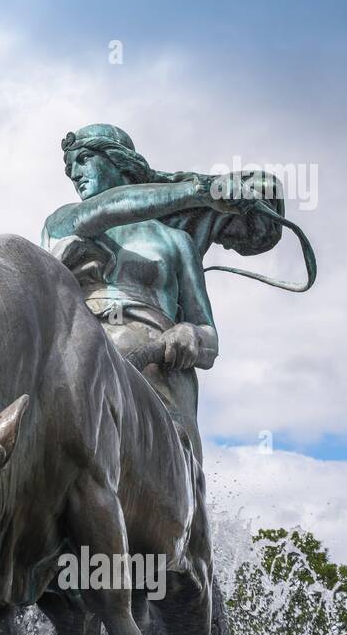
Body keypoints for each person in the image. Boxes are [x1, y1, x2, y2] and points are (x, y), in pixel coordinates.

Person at [42, 124, 295, 462]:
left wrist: (188, 334)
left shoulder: (176, 242)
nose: (75, 174)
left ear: (119, 162)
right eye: (70, 168)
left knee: (176, 469)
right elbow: (104, 208)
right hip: (81, 357)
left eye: (84, 160)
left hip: (159, 369)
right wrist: (201, 191)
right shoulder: (66, 222)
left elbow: (209, 337)